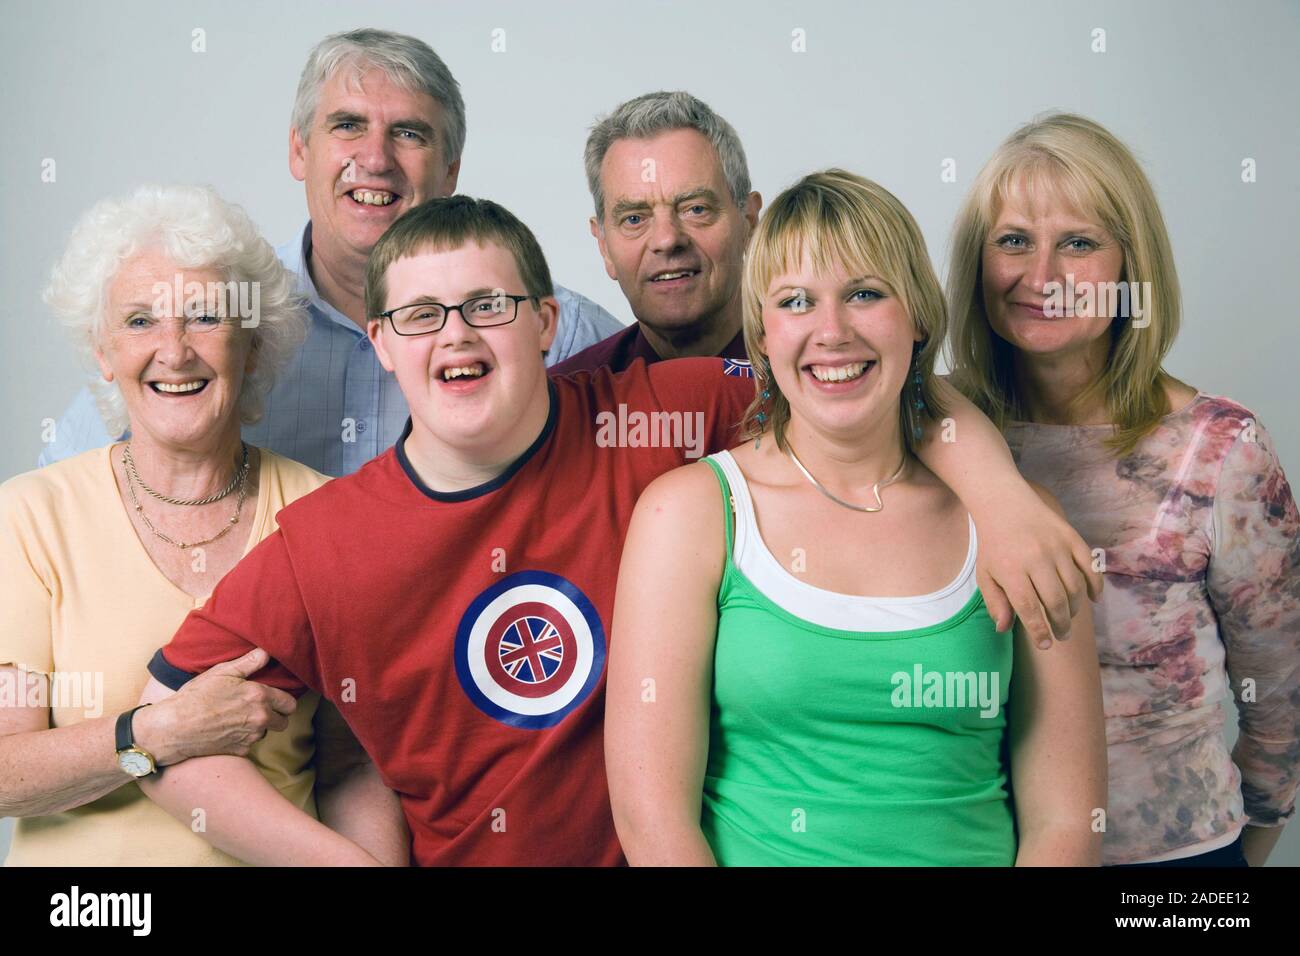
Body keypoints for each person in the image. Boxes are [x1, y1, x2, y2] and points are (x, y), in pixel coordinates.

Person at [134, 195, 1103, 866]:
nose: (456, 336)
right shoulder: (322, 543)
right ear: (381, 342)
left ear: (545, 321)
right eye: (420, 315)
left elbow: (859, 383)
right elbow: (167, 731)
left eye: (489, 305)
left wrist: (1003, 494)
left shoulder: (663, 412)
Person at [605, 169, 1107, 866]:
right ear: (763, 334)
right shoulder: (690, 514)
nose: (831, 332)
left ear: (919, 316)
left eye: (866, 294)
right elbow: (652, 818)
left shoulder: (1017, 522)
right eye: (796, 301)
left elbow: (1067, 821)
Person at [0, 184, 405, 866]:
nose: (175, 350)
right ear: (101, 352)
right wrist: (157, 734)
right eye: (139, 322)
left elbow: (349, 770)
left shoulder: (326, 516)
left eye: (204, 318)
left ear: (251, 344)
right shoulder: (31, 517)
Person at [946, 113, 1300, 867]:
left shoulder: (1220, 451)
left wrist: (1243, 854)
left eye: (1077, 242)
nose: (1041, 277)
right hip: (984, 850)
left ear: (1131, 267)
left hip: (1176, 862)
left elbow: (1281, 692)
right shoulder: (944, 437)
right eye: (1013, 241)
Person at [38, 27, 622, 476]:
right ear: (299, 151)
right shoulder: (223, 314)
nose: (375, 158)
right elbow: (64, 494)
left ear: (451, 171)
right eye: (347, 125)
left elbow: (673, 484)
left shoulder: (555, 328)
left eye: (409, 133)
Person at [551, 91, 759, 374]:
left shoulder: (821, 375)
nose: (667, 239)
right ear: (603, 246)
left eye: (695, 209)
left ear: (749, 221)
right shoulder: (567, 401)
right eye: (634, 218)